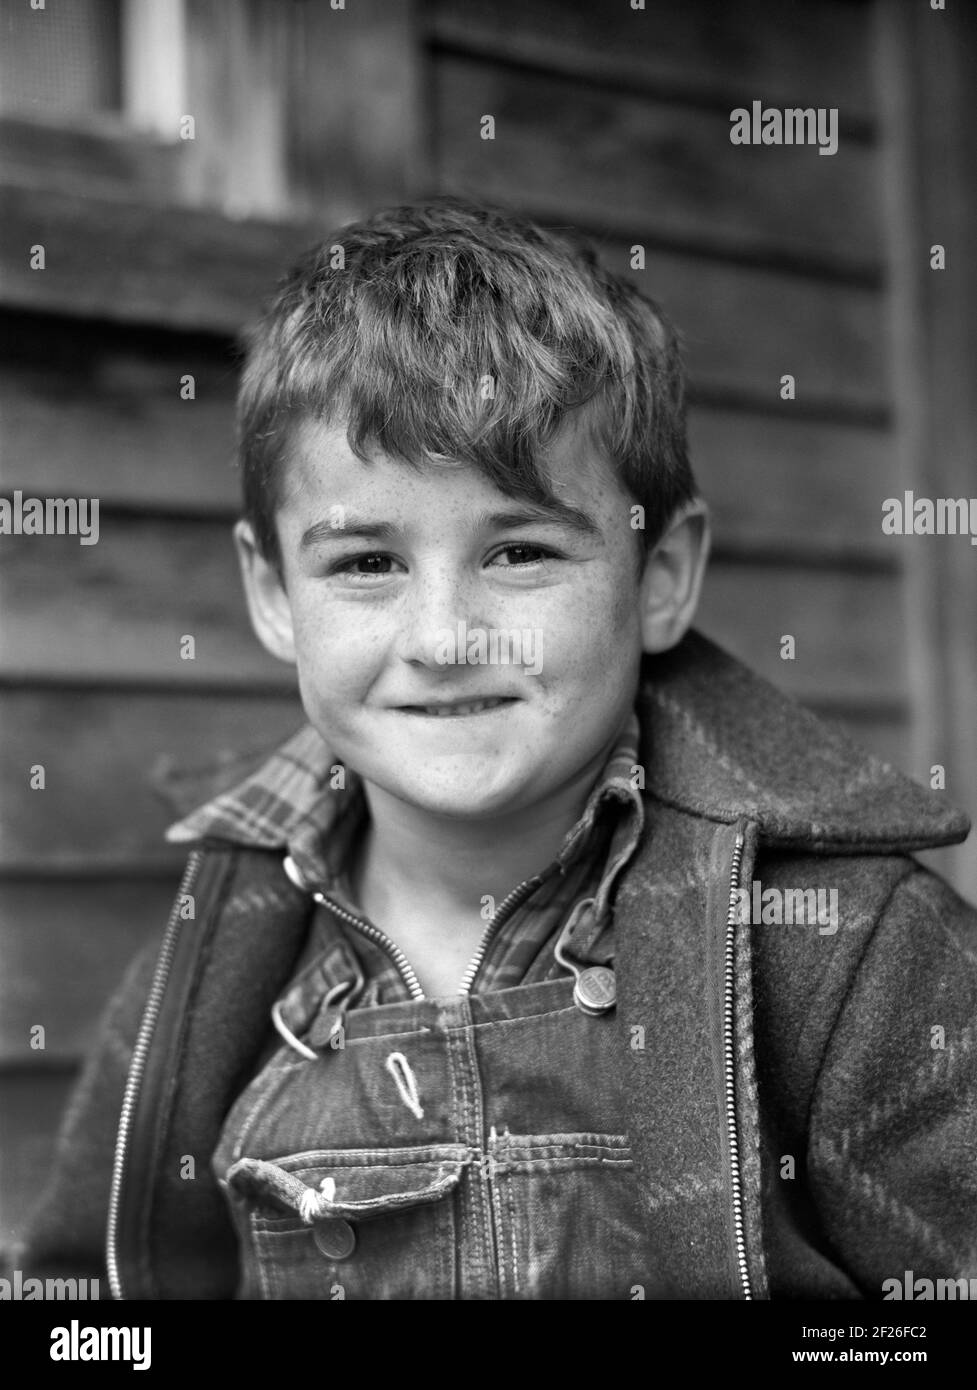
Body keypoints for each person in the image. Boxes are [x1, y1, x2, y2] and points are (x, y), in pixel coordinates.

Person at [11, 198, 977, 1300]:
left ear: (658, 574)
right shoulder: (214, 952)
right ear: (273, 594)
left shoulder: (844, 947)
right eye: (365, 563)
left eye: (517, 551)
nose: (441, 639)